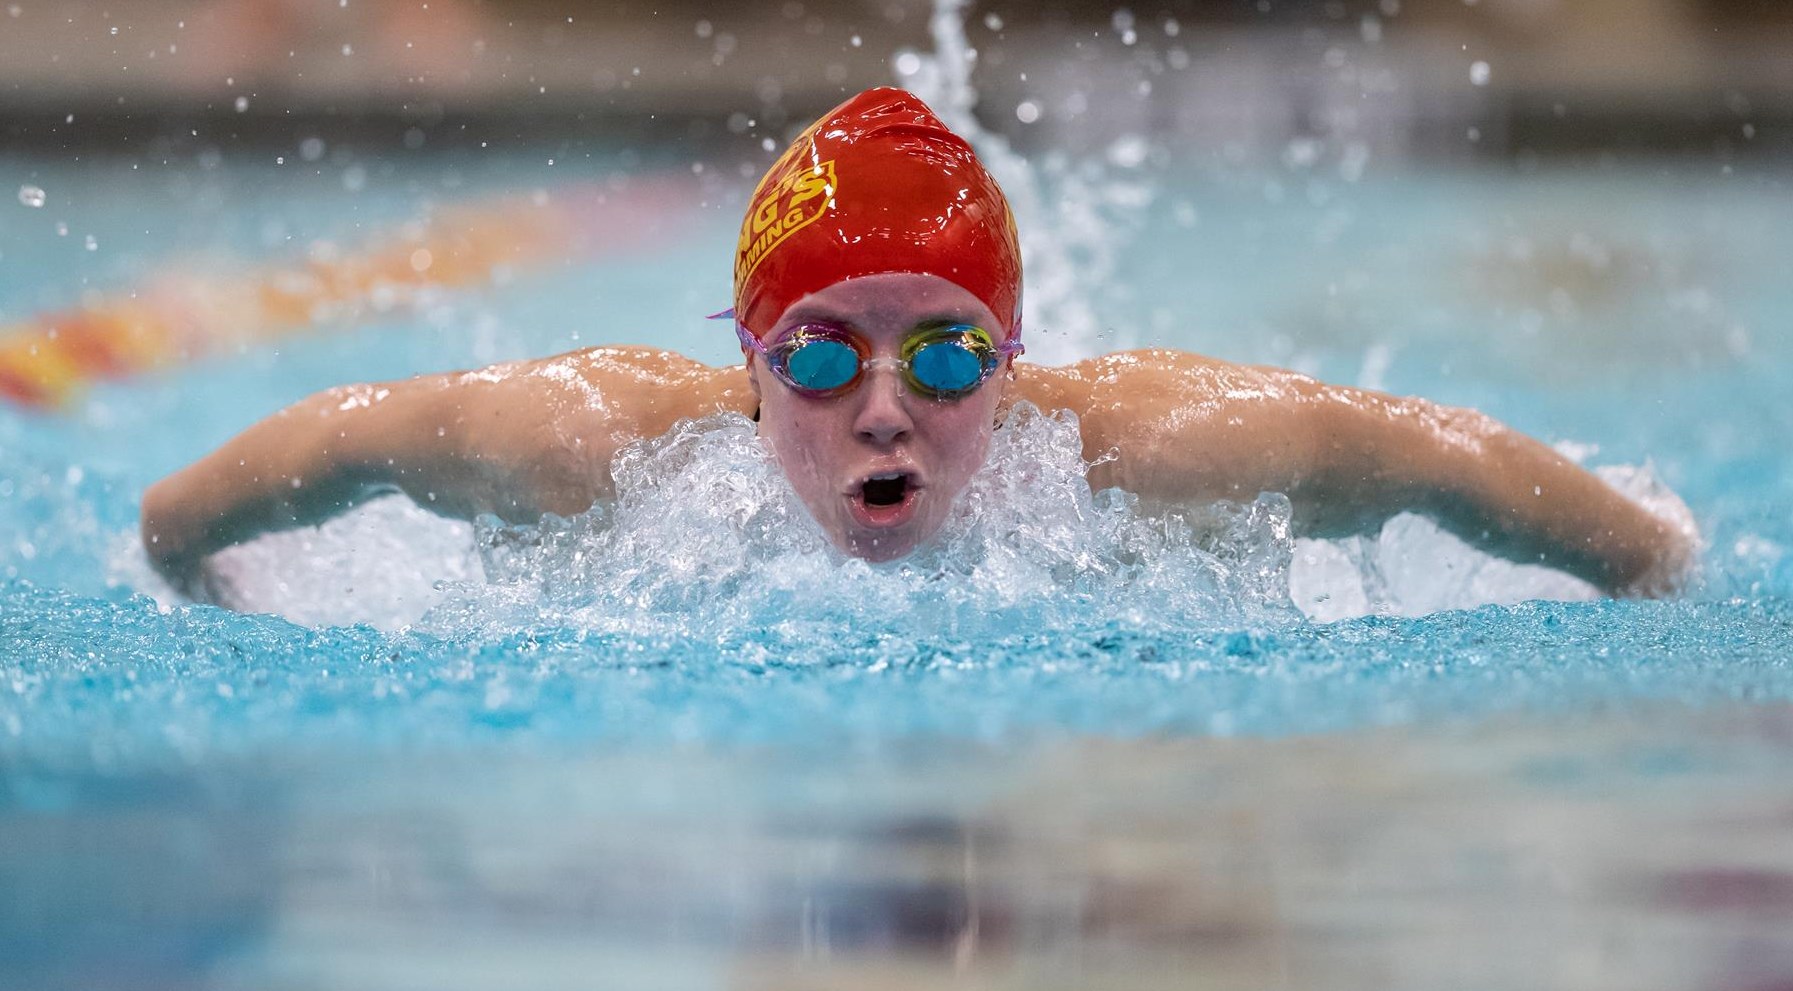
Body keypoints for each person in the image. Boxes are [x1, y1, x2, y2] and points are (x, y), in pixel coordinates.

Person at [140, 88, 1696, 599]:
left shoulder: (1148, 448)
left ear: (1011, 361)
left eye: (947, 357)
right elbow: (321, 443)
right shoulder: (588, 442)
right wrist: (187, 573)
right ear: (744, 360)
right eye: (821, 356)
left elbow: (1427, 453)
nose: (885, 409)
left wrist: (1656, 574)